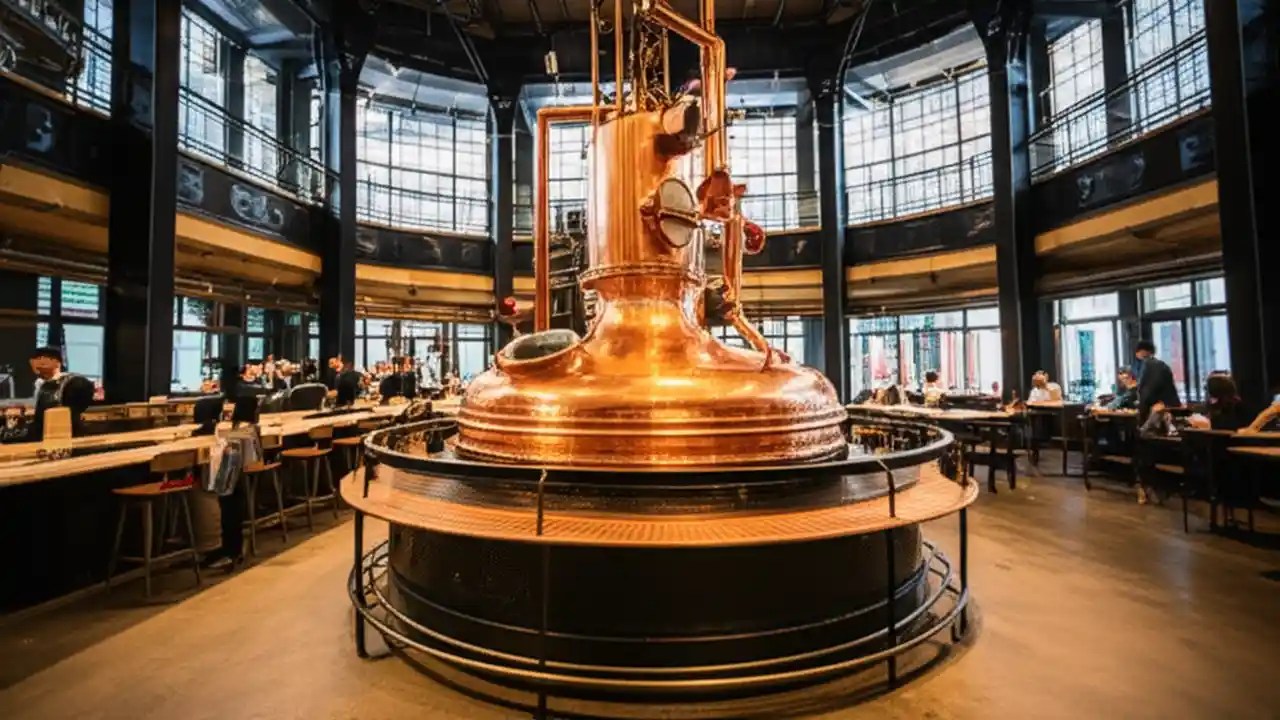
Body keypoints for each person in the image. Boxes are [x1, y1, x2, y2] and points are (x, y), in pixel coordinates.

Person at [26, 347, 95, 439]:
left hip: (65, 435)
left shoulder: (74, 382)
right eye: (34, 360)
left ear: (56, 362)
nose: (35, 364)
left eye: (40, 359)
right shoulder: (40, 384)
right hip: (42, 436)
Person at [1134, 339, 1180, 421]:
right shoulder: (1162, 365)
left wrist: (1142, 410)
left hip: (1157, 409)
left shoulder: (1149, 366)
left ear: (1141, 352)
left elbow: (1148, 391)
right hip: (1169, 407)